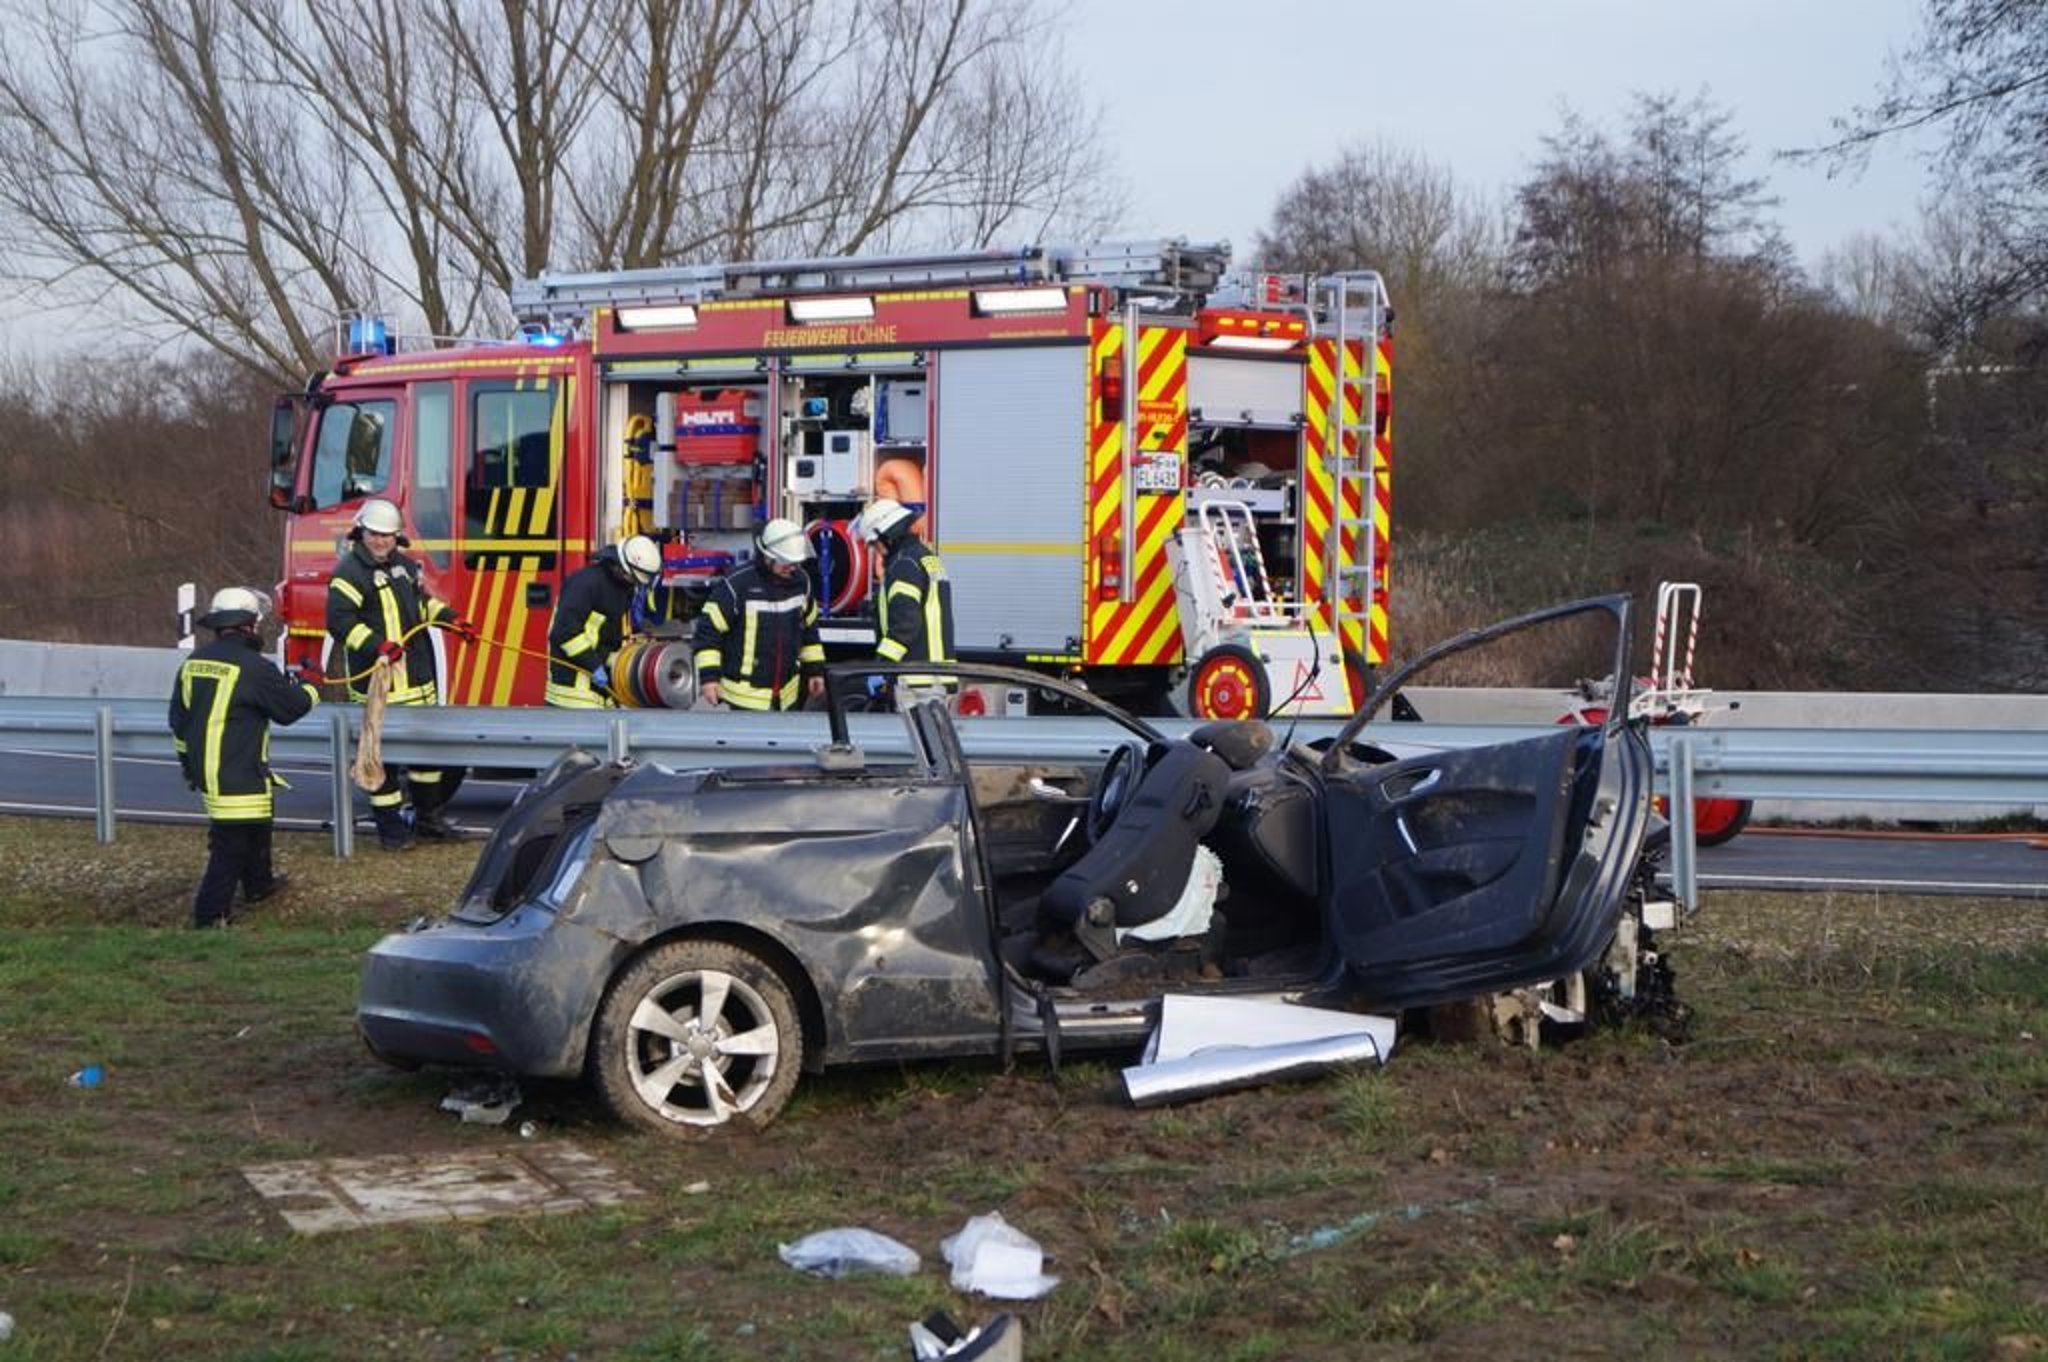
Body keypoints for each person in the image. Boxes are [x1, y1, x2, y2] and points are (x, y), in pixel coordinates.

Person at [326, 497, 476, 850]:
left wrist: (453, 620)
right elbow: (340, 622)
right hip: (379, 686)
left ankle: (428, 820)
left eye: (387, 536)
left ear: (397, 538)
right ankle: (392, 833)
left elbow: (424, 605)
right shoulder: (348, 573)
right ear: (361, 532)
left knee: (428, 758)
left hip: (416, 683)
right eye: (374, 534)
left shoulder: (406, 567)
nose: (380, 541)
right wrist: (377, 645)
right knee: (385, 764)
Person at [168, 588, 322, 928]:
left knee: (256, 827)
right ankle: (209, 916)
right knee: (231, 845)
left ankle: (259, 886)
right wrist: (312, 684)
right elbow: (291, 708)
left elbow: (178, 721)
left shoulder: (194, 663)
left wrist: (188, 767)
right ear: (250, 626)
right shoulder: (254, 667)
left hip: (210, 771)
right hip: (237, 771)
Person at [691, 518, 826, 712]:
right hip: (744, 699)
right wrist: (709, 678)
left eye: (796, 562)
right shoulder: (737, 585)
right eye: (786, 562)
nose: (792, 568)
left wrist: (815, 671)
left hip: (788, 698)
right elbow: (708, 632)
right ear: (767, 557)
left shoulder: (801, 582)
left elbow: (809, 630)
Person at [545, 535, 663, 708]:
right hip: (572, 689)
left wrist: (618, 661)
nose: (634, 583)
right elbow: (564, 632)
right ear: (621, 567)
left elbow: (606, 636)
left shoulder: (623, 588)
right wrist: (594, 665)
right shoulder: (585, 584)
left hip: (599, 687)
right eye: (633, 578)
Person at [857, 496, 954, 693]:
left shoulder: (903, 565)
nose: (876, 550)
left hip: (915, 680)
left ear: (887, 534)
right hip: (938, 677)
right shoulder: (926, 557)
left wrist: (882, 666)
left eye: (875, 543)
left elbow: (905, 624)